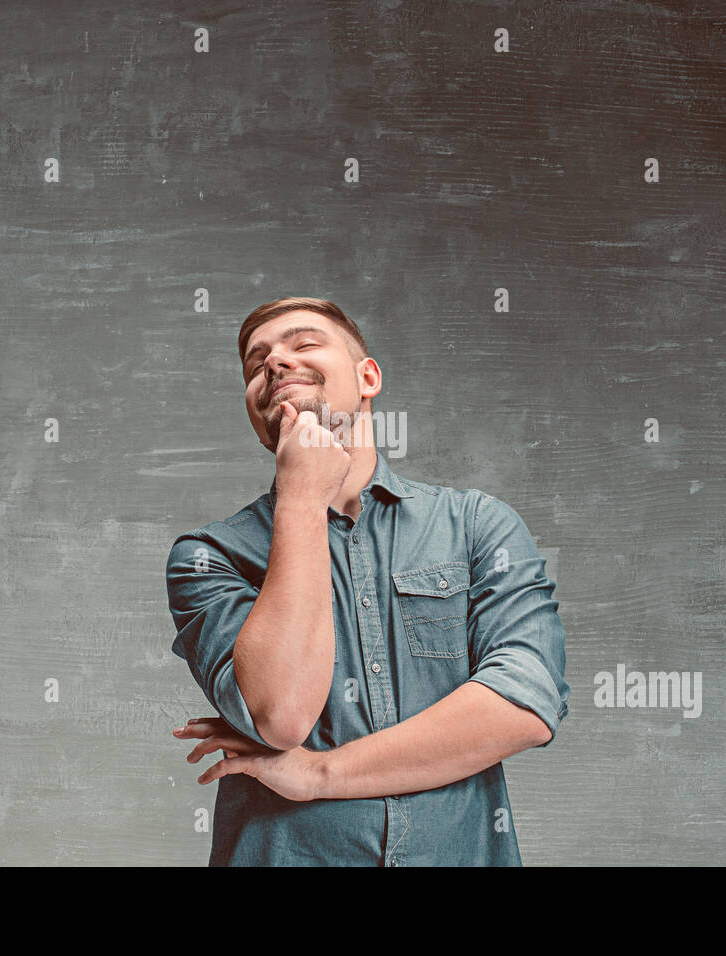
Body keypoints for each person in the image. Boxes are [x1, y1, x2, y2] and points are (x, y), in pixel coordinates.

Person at [164, 296, 571, 865]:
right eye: (256, 363)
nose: (275, 363)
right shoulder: (208, 556)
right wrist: (303, 499)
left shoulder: (477, 525)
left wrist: (320, 772)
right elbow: (281, 716)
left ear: (368, 377)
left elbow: (523, 705)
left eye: (303, 344)